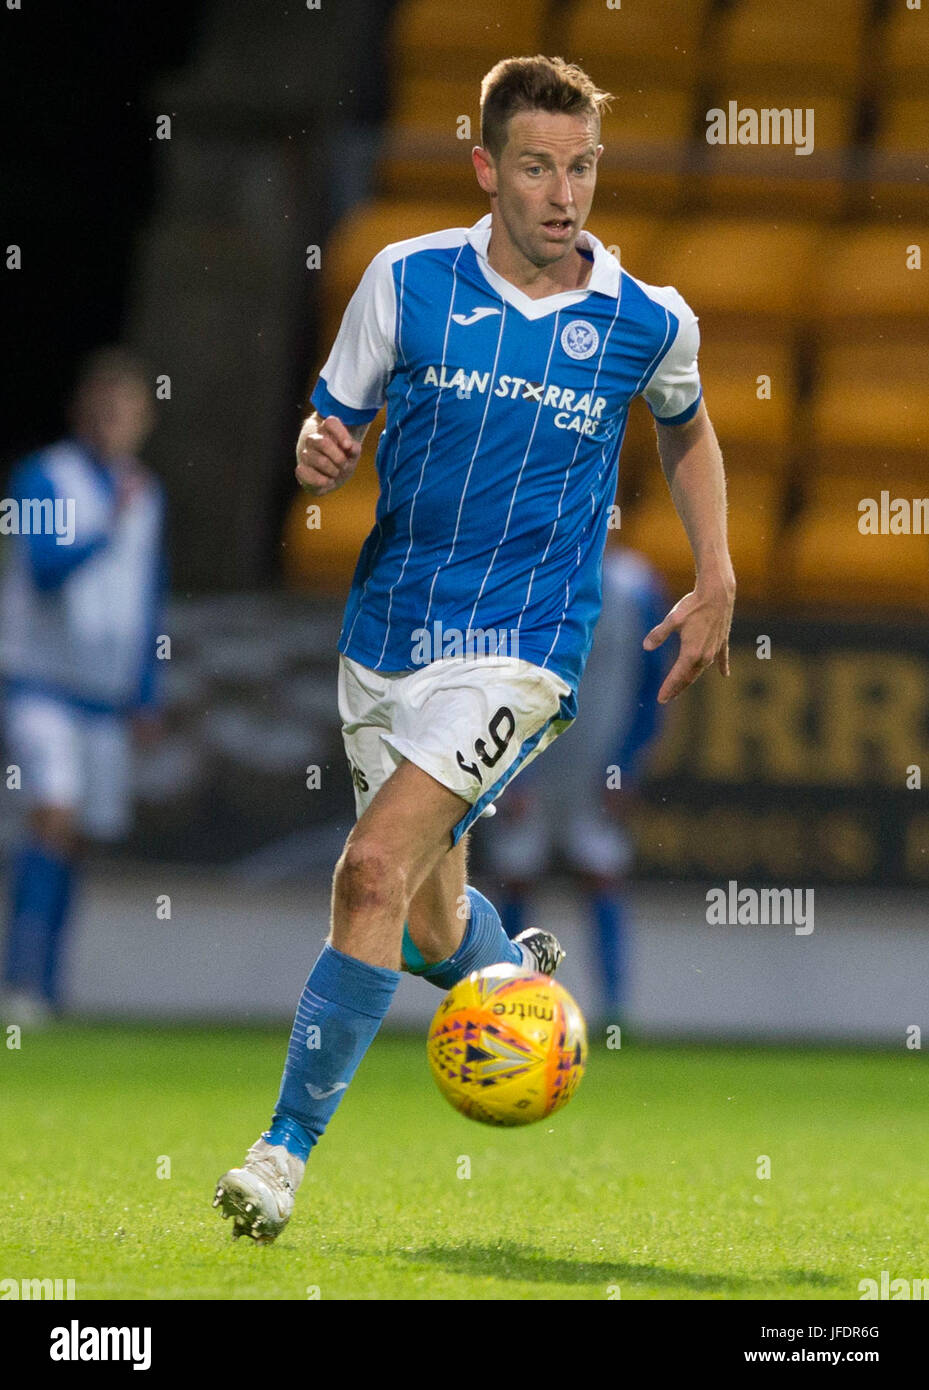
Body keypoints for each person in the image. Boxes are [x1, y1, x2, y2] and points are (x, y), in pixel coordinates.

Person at [215, 55, 735, 1243]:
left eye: (583, 167)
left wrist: (716, 572)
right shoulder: (403, 280)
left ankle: (279, 1155)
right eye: (540, 167)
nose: (564, 193)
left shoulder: (642, 319)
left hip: (522, 648)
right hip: (387, 638)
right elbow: (334, 413)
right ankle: (513, 975)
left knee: (364, 870)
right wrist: (320, 447)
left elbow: (689, 431)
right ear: (485, 169)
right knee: (423, 927)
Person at [0, 347, 166, 1025]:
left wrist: (148, 691)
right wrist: (102, 527)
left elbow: (147, 594)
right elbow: (40, 569)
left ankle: (50, 985)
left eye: (126, 410)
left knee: (77, 838)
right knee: (53, 815)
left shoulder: (146, 493)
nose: (113, 422)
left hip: (105, 696)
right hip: (40, 682)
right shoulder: (44, 477)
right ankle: (21, 986)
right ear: (81, 412)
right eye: (103, 408)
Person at [484, 539, 670, 1021]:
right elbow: (491, 677)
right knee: (516, 876)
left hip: (595, 769)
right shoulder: (522, 577)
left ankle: (615, 1012)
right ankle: (506, 1003)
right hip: (529, 765)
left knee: (602, 873)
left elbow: (654, 686)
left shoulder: (636, 588)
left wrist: (627, 766)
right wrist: (505, 771)